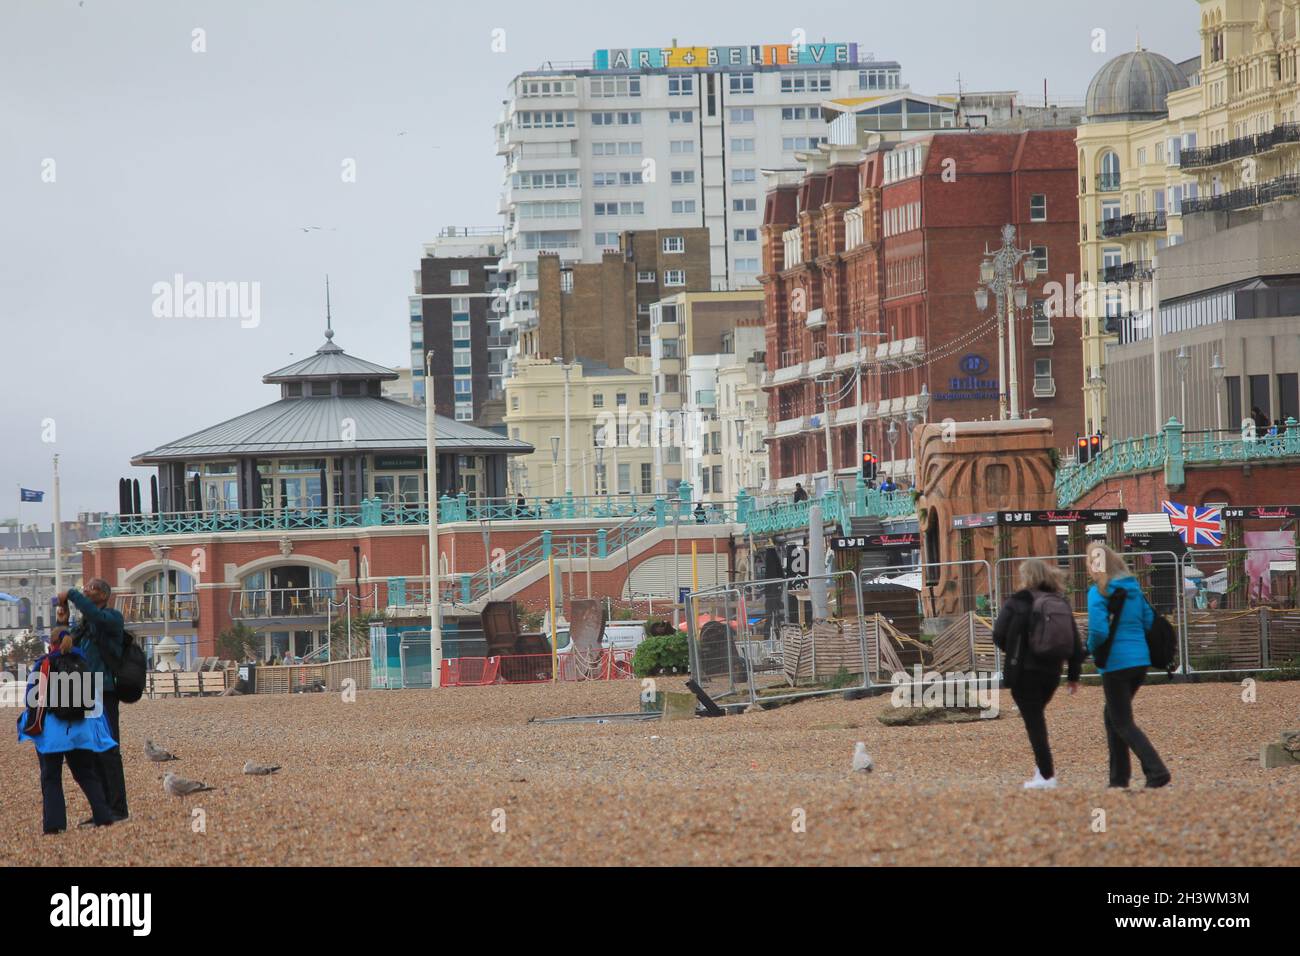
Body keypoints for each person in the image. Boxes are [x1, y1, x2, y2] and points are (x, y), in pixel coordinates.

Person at [992, 559, 1085, 789]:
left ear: (1027, 577)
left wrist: (1015, 651)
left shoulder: (1018, 601)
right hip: (1052, 672)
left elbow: (998, 634)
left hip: (1024, 671)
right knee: (1036, 718)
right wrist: (1073, 676)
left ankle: (1046, 775)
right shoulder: (1058, 601)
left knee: (1035, 723)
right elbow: (1074, 642)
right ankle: (1041, 772)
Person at [1085, 544, 1171, 790]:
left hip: (1116, 663)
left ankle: (1157, 771)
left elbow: (1098, 630)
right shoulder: (1134, 589)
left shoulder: (1098, 592)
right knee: (1112, 717)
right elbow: (1148, 622)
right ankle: (1118, 780)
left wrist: (1091, 648)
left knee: (1122, 722)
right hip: (1140, 662)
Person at [17, 628, 117, 834]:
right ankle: (104, 816)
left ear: (51, 643)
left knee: (51, 776)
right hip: (80, 730)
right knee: (86, 774)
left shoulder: (44, 664)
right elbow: (94, 700)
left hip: (52, 732)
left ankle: (55, 825)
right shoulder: (83, 662)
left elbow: (32, 698)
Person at [57, 580, 129, 823]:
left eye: (92, 589)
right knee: (90, 751)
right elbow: (64, 647)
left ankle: (118, 809)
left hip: (105, 691)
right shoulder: (85, 624)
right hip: (84, 690)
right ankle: (102, 810)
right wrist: (63, 623)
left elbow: (96, 616)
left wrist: (73, 594)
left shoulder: (111, 618)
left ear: (104, 594)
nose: (86, 591)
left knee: (108, 749)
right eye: (84, 588)